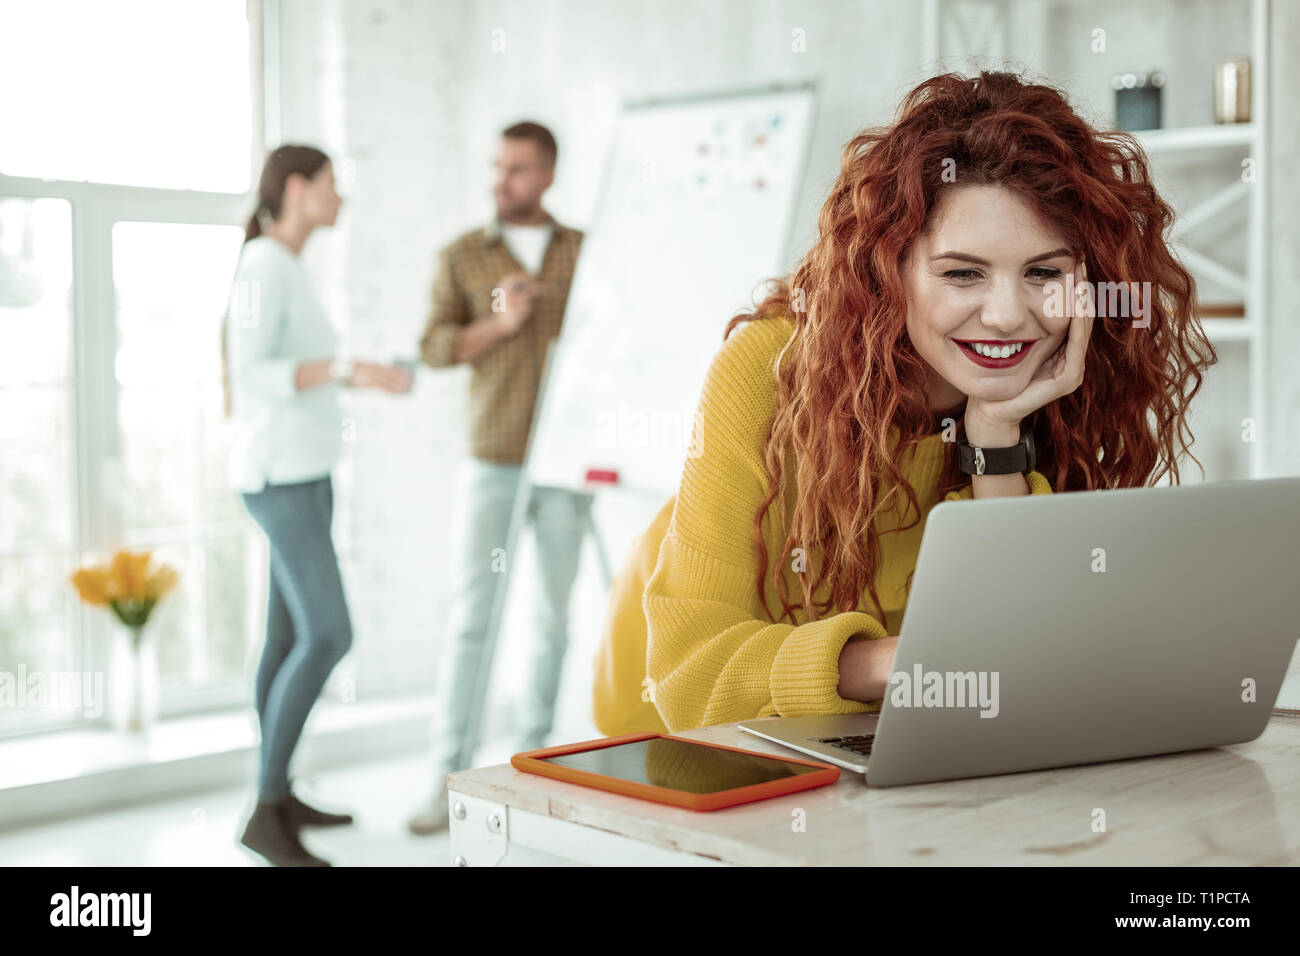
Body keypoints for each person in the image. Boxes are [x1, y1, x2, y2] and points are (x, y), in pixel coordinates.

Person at [592, 70, 1216, 736]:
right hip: (677, 723)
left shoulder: (1060, 395)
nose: (1007, 316)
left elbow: (1014, 660)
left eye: (1043, 273)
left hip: (866, 742)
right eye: (961, 273)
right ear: (889, 269)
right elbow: (691, 674)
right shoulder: (768, 368)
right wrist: (905, 665)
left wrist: (996, 435)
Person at [224, 144, 413, 866]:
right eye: (334, 185)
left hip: (302, 474)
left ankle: (278, 791)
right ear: (298, 190)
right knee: (329, 633)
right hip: (282, 479)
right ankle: (265, 807)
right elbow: (255, 374)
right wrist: (346, 368)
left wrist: (354, 376)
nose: (342, 198)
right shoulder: (265, 265)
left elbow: (291, 373)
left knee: (283, 640)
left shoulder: (283, 265)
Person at [408, 122, 592, 834]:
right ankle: (443, 778)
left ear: (547, 174)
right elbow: (432, 348)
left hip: (568, 465)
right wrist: (502, 323)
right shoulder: (463, 256)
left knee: (552, 621)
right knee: (472, 624)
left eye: (516, 169)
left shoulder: (584, 253)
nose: (501, 180)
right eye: (497, 166)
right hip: (494, 457)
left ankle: (538, 773)